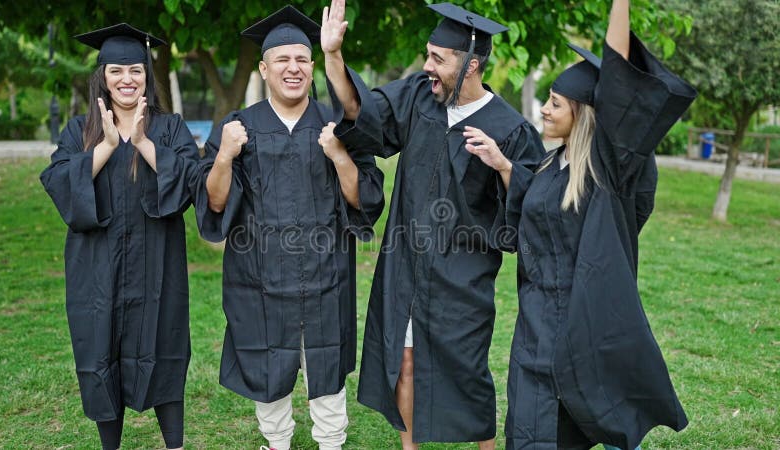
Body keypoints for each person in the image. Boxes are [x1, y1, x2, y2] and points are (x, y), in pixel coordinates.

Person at [463, 0, 697, 448]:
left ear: (585, 115)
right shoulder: (555, 165)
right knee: (531, 431)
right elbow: (538, 205)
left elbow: (619, 76)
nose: (544, 111)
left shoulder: (610, 174)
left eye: (555, 104)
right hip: (536, 328)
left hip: (588, 328)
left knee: (595, 416)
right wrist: (505, 165)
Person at [321, 1, 544, 448]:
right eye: (428, 54)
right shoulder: (418, 97)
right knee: (403, 361)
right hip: (405, 262)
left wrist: (502, 165)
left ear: (472, 65)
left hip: (463, 275)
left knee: (467, 368)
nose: (427, 66)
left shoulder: (510, 128)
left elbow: (534, 204)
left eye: (438, 58)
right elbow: (361, 111)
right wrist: (333, 57)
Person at [192, 6, 384, 450]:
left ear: (312, 66)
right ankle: (276, 442)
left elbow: (366, 200)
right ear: (264, 68)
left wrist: (338, 155)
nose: (292, 68)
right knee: (266, 361)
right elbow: (214, 202)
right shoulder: (239, 126)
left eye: (301, 59)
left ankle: (331, 442)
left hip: (325, 272)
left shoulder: (339, 125)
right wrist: (224, 155)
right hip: (259, 276)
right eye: (282, 60)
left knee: (326, 361)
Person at [40, 23, 199, 450]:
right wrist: (107, 146)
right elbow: (58, 182)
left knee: (163, 346)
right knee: (99, 350)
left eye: (135, 70)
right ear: (102, 77)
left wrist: (144, 143)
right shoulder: (79, 131)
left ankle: (175, 445)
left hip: (157, 268)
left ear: (148, 75)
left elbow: (190, 182)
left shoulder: (170, 129)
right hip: (97, 269)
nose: (126, 79)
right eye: (116, 71)